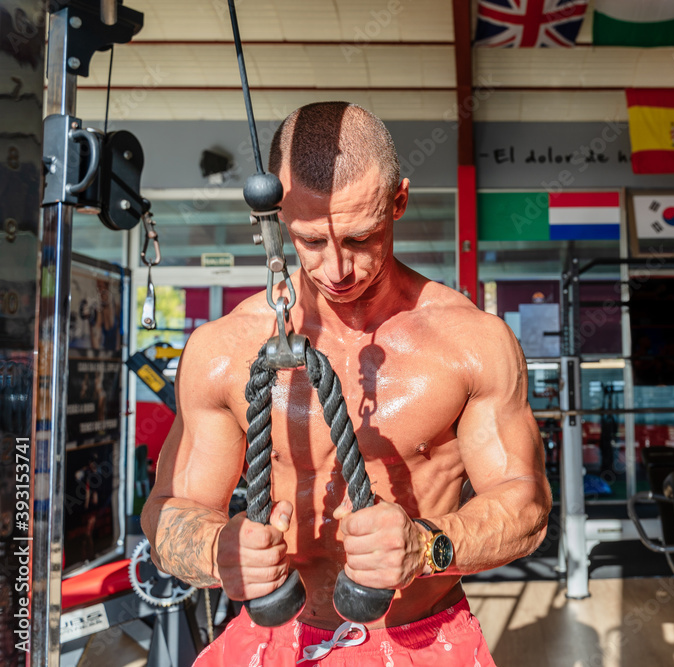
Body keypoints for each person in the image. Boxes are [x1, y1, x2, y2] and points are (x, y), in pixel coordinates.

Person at [141, 102, 551, 666]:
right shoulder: (224, 350)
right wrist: (216, 550)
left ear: (398, 202)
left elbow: (525, 505)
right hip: (276, 638)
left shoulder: (470, 343)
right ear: (277, 218)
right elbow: (168, 510)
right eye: (310, 241)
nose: (336, 269)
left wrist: (427, 546)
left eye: (359, 238)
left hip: (422, 638)